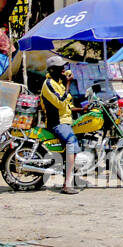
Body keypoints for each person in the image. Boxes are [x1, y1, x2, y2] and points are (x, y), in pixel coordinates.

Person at [39, 55, 80, 194]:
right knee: (71, 141)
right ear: (51, 69)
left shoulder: (59, 82)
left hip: (66, 120)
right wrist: (68, 84)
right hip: (56, 122)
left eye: (63, 66)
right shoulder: (49, 84)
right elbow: (60, 103)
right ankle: (67, 184)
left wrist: (83, 109)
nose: (63, 69)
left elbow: (67, 104)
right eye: (60, 67)